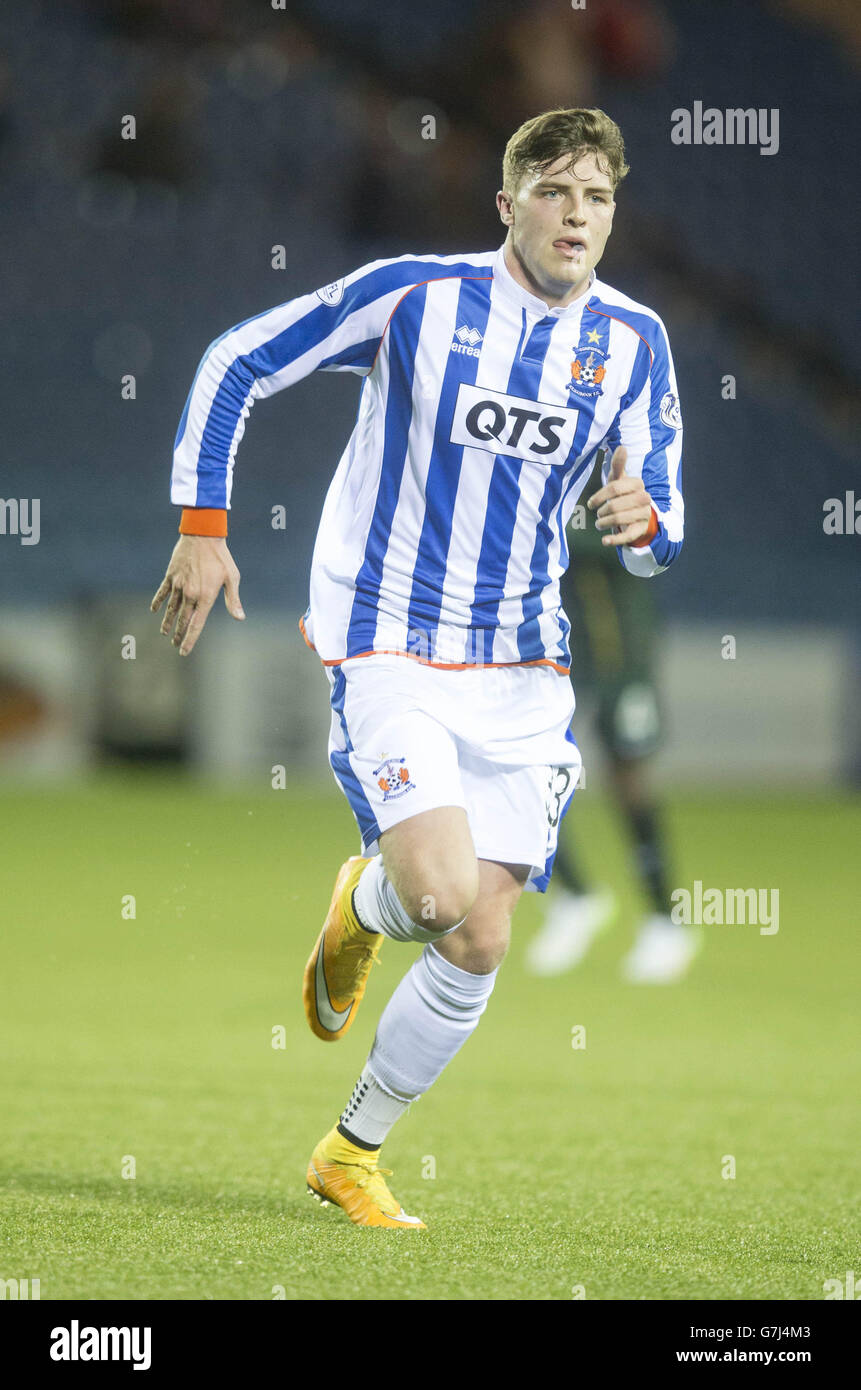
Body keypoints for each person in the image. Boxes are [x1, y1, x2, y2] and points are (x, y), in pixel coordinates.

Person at [151, 108, 685, 1229]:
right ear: (509, 206)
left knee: (482, 935)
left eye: (596, 196)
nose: (575, 214)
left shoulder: (634, 341)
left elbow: (664, 506)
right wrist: (204, 524)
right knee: (440, 896)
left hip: (523, 660)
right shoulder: (419, 296)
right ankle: (378, 897)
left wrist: (644, 519)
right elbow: (235, 360)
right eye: (553, 190)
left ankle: (350, 1151)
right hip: (390, 635)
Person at [526, 464, 702, 983]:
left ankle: (664, 920)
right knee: (527, 769)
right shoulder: (548, 468)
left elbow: (642, 542)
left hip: (624, 653)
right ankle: (575, 895)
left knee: (629, 781)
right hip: (561, 650)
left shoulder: (619, 472)